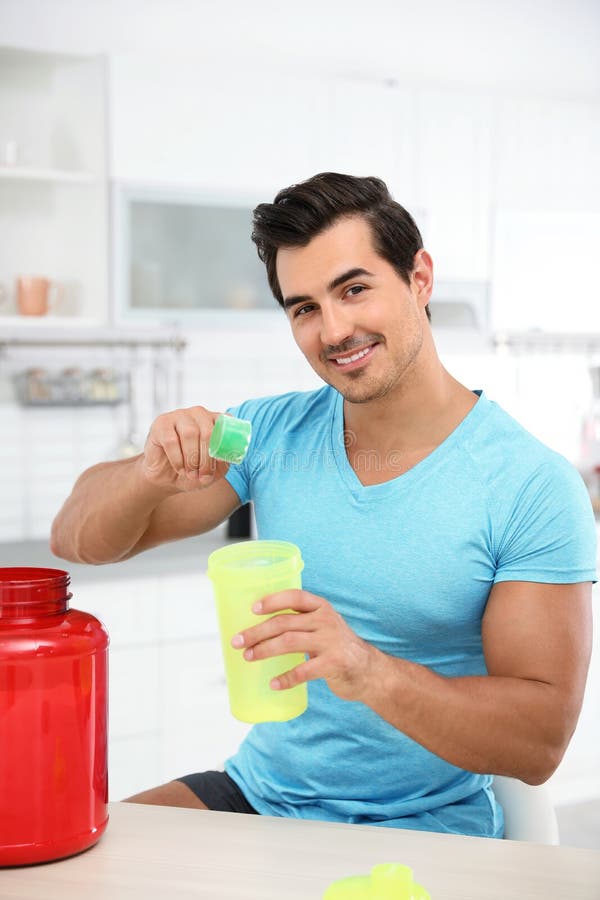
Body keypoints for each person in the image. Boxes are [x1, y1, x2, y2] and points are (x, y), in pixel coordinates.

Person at [51, 172, 597, 839]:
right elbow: (77, 540)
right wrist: (148, 470)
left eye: (354, 289)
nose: (333, 329)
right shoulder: (269, 435)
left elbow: (538, 745)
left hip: (421, 825)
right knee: (70, 855)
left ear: (420, 278)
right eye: (304, 308)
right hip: (260, 793)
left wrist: (364, 669)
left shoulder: (530, 485)